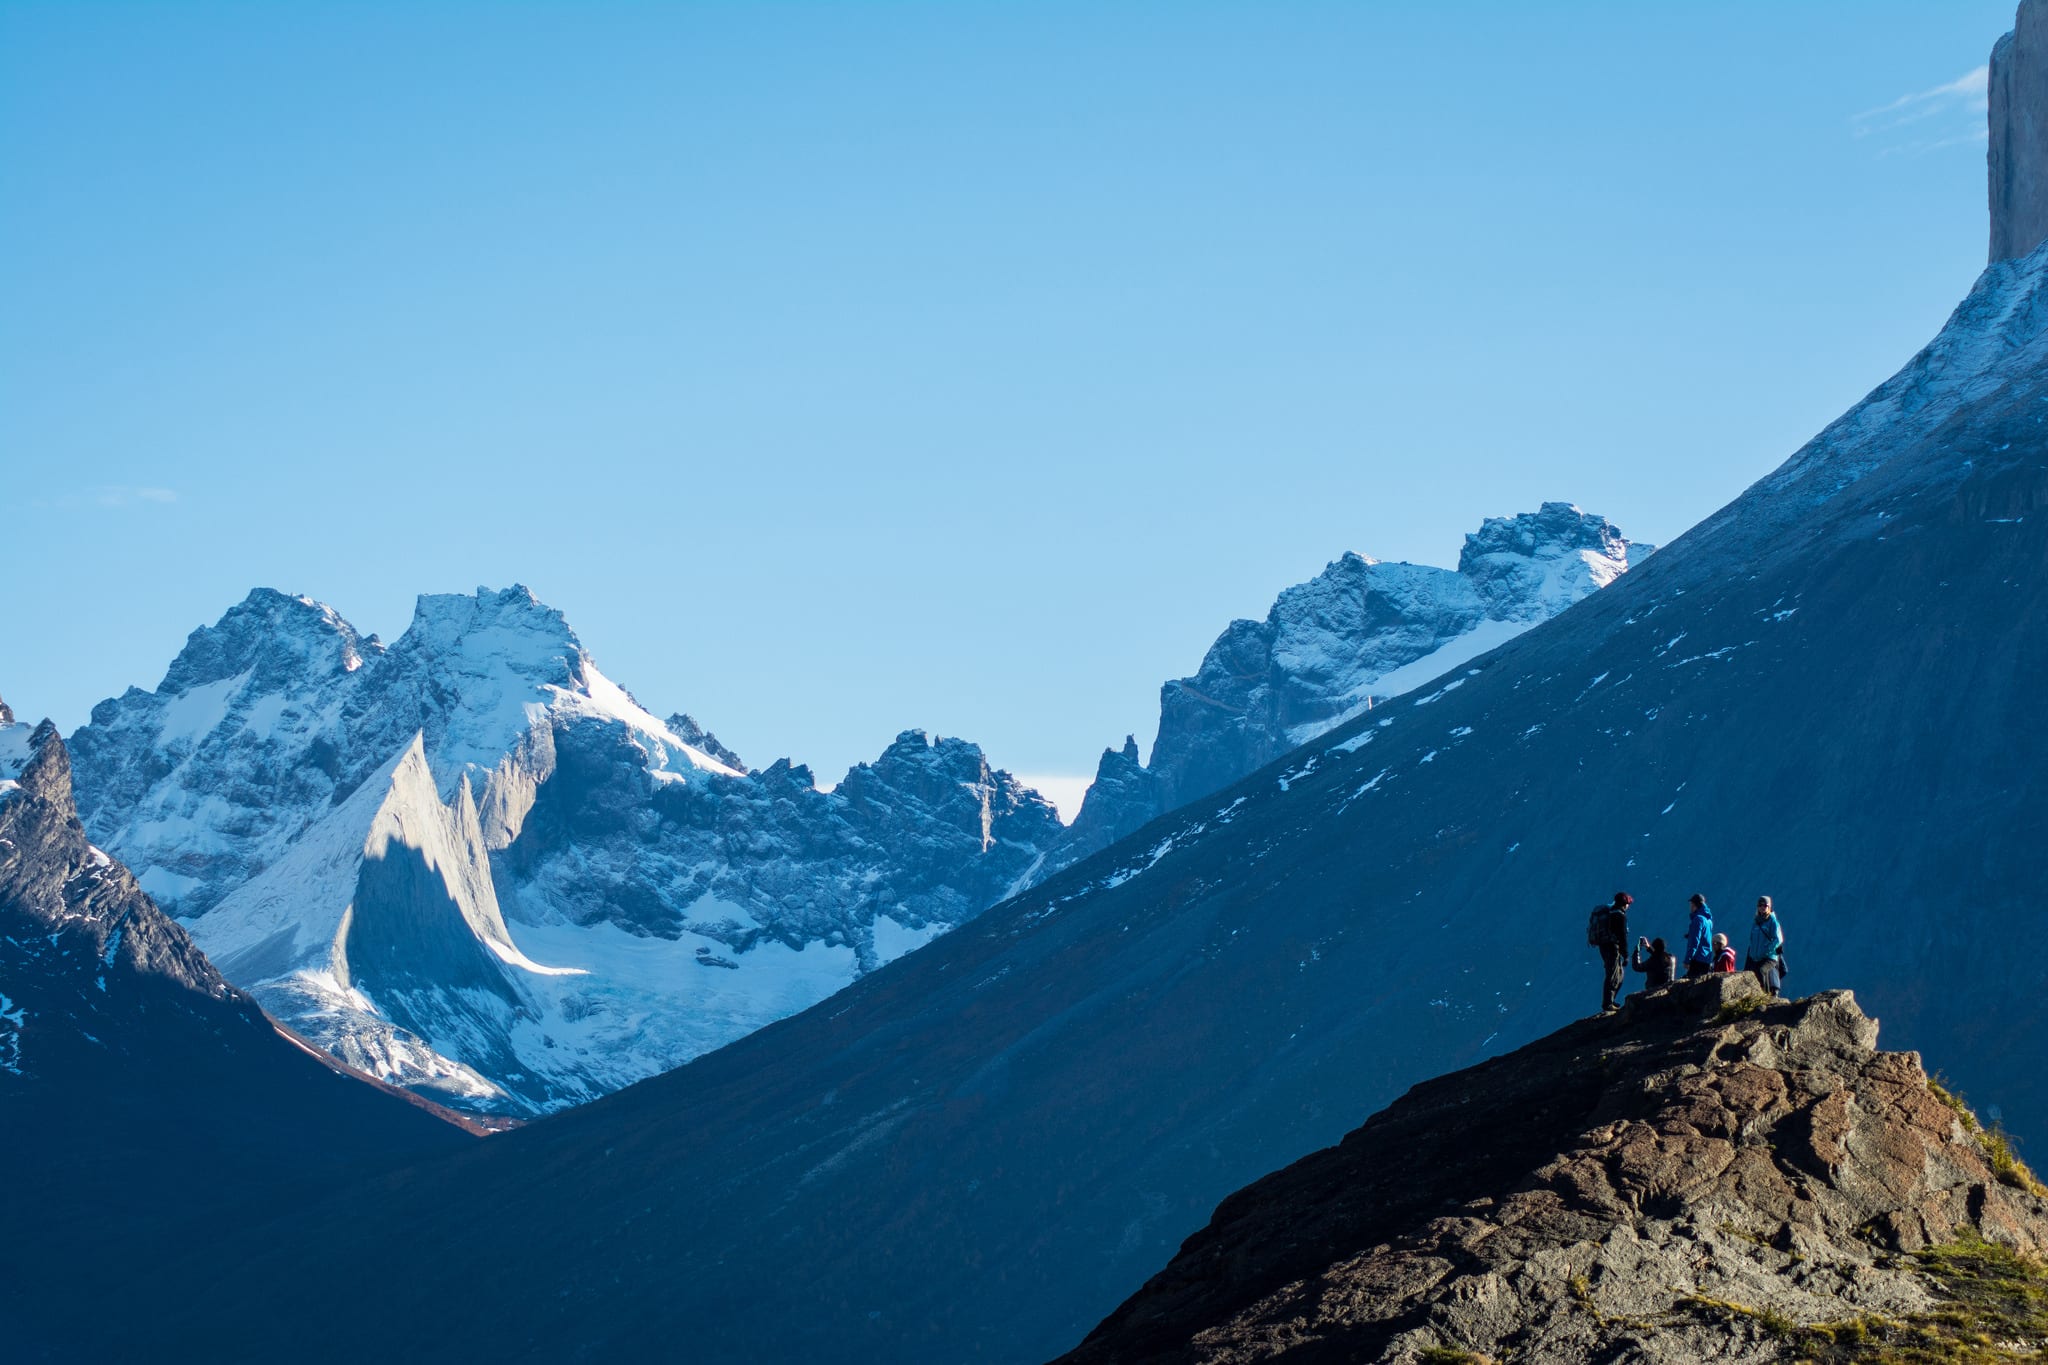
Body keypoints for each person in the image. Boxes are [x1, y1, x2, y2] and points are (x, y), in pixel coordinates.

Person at [1587, 892, 1632, 1013]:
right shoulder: (1619, 916)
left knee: (1615, 972)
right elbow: (1622, 937)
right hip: (1612, 947)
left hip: (1603, 945)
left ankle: (1610, 1001)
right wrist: (1626, 955)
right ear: (1625, 904)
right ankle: (1608, 1003)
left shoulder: (1610, 913)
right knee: (1613, 974)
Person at [1745, 895, 1786, 997]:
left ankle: (1766, 996)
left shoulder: (1773, 922)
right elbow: (1752, 940)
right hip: (1756, 957)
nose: (1762, 907)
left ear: (1769, 907)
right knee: (1753, 975)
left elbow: (1778, 939)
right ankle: (1758, 996)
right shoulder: (1756, 922)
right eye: (1760, 905)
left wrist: (1767, 950)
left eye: (1765, 905)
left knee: (1761, 971)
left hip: (1769, 957)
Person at [1682, 893, 1715, 979]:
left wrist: (1688, 960)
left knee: (1690, 985)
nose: (1690, 907)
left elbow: (1694, 941)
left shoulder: (1698, 919)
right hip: (1706, 958)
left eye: (1691, 904)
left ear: (1695, 905)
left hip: (1698, 959)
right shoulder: (1708, 920)